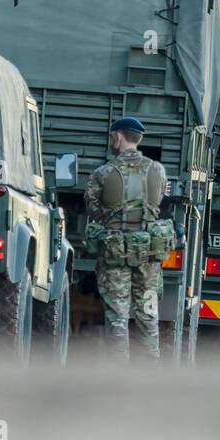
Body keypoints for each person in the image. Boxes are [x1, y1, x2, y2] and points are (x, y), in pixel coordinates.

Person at [84, 117, 169, 361]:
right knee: (148, 316)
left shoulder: (103, 173)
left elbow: (93, 210)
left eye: (112, 136)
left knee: (117, 317)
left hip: (115, 255)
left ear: (119, 137)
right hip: (149, 256)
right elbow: (158, 203)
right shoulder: (158, 170)